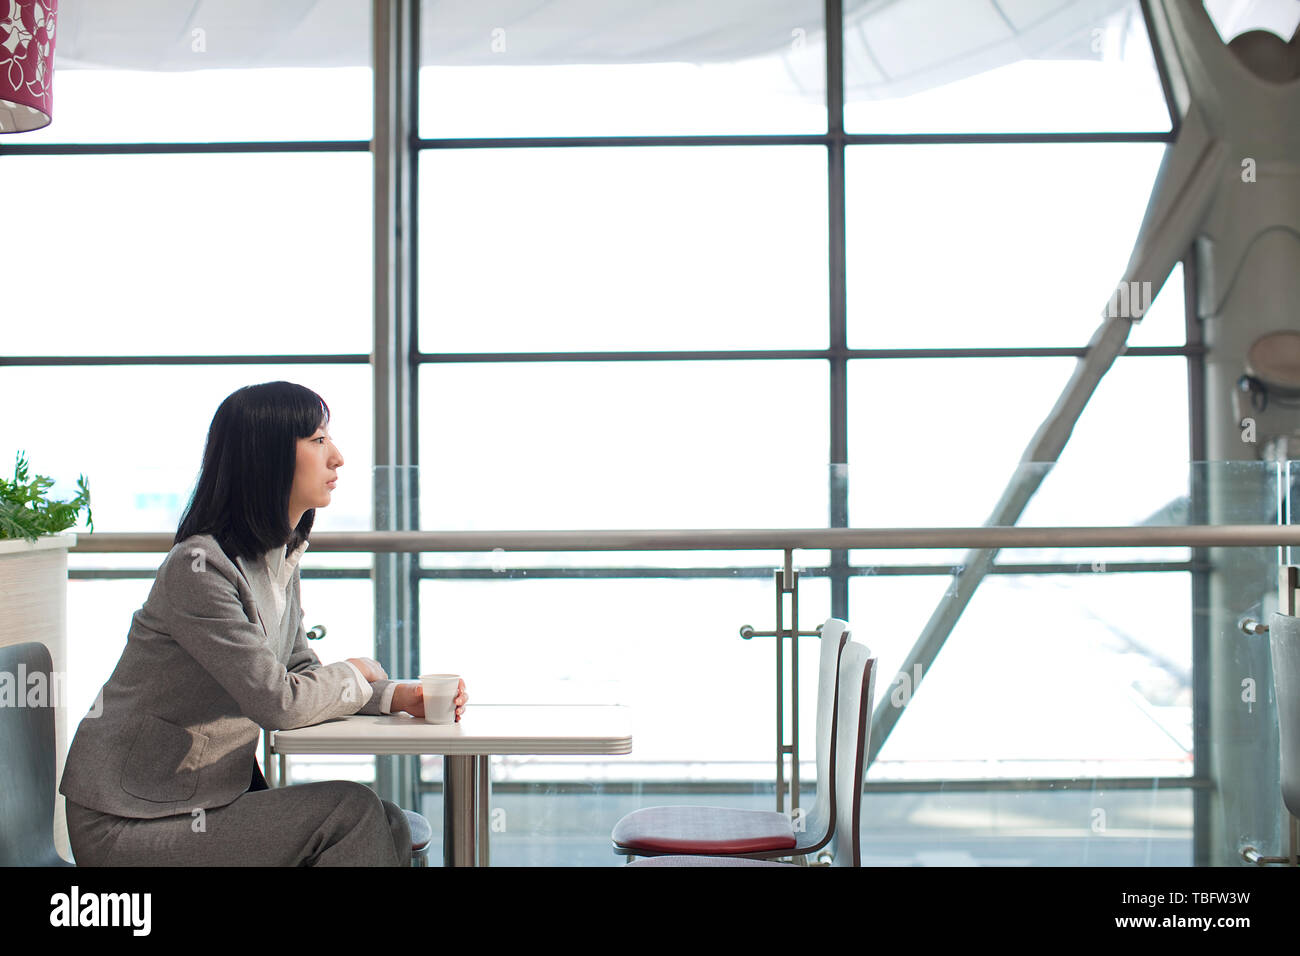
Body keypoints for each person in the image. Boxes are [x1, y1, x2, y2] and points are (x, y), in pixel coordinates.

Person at [59, 381, 467, 866]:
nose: (336, 457)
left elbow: (297, 670)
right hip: (130, 821)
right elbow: (277, 700)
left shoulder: (276, 559)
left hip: (198, 801)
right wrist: (359, 674)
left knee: (389, 822)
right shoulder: (200, 569)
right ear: (267, 457)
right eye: (318, 440)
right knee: (351, 812)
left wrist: (393, 696)